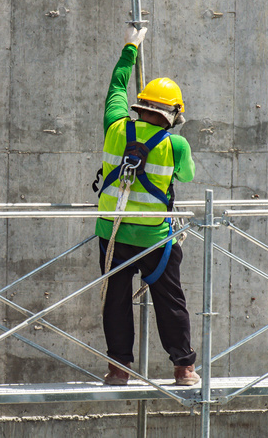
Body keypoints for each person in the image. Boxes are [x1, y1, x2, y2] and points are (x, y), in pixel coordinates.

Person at [96, 26, 199, 387]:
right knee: (170, 300)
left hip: (113, 234)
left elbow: (116, 86)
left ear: (140, 105)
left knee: (116, 302)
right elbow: (185, 176)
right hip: (155, 238)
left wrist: (130, 47)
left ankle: (118, 369)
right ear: (174, 113)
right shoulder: (177, 145)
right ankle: (183, 368)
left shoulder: (114, 126)